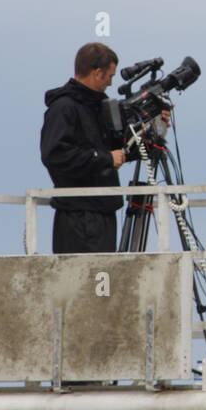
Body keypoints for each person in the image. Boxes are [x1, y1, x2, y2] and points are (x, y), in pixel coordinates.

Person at [40, 42, 128, 254]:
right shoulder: (64, 107)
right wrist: (105, 159)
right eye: (109, 76)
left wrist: (155, 127)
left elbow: (119, 149)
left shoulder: (100, 106)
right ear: (98, 73)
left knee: (104, 281)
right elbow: (54, 154)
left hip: (103, 210)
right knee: (80, 283)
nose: (110, 83)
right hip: (78, 216)